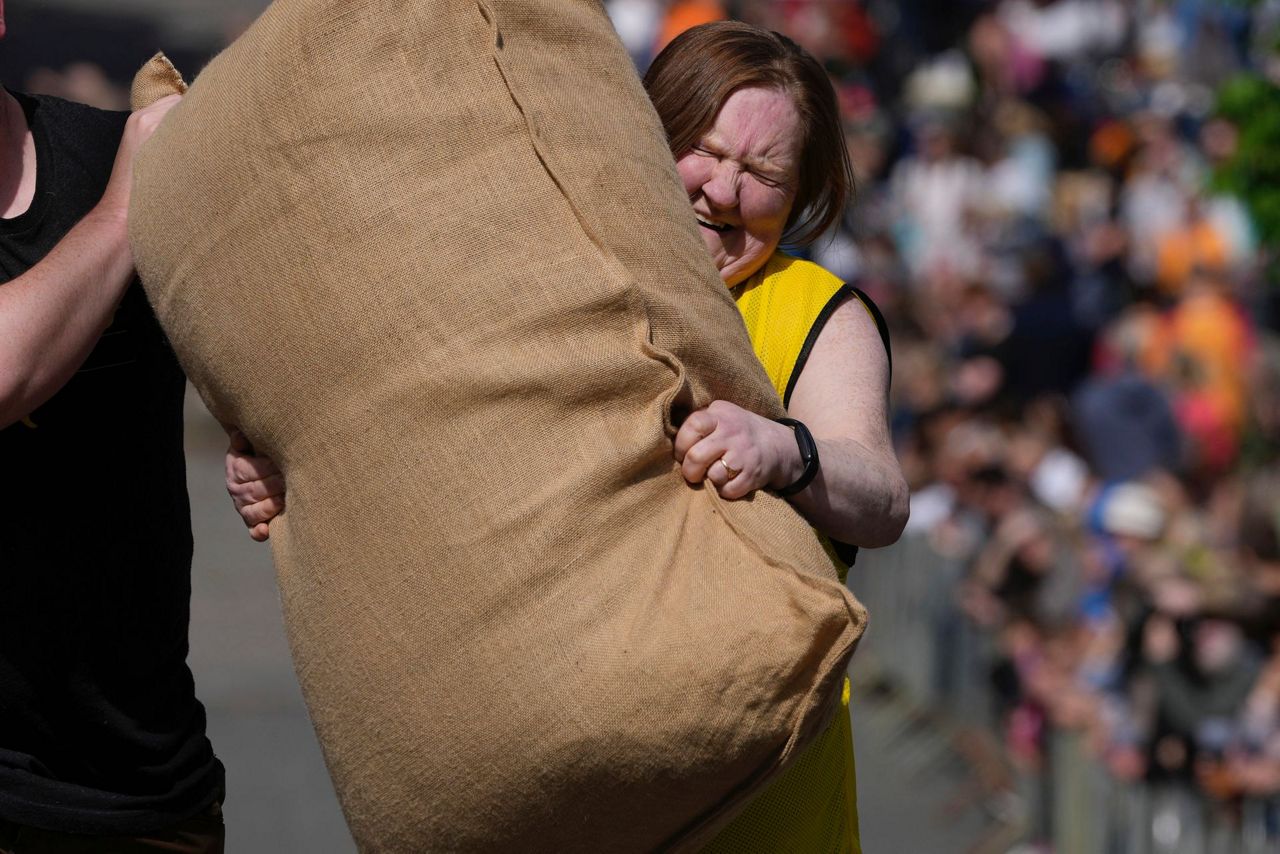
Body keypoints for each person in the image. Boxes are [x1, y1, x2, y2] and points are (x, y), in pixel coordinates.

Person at [226, 19, 907, 852]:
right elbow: (422, 441)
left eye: (763, 173)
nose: (723, 192)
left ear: (798, 193)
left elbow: (881, 498)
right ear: (643, 129)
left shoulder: (817, 310)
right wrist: (294, 470)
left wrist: (782, 450)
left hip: (768, 814)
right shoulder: (545, 269)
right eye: (704, 150)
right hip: (546, 787)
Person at [0, 3, 225, 849]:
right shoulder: (129, 187)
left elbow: (274, 348)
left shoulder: (109, 159)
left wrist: (270, 451)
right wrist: (125, 213)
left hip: (143, 787)